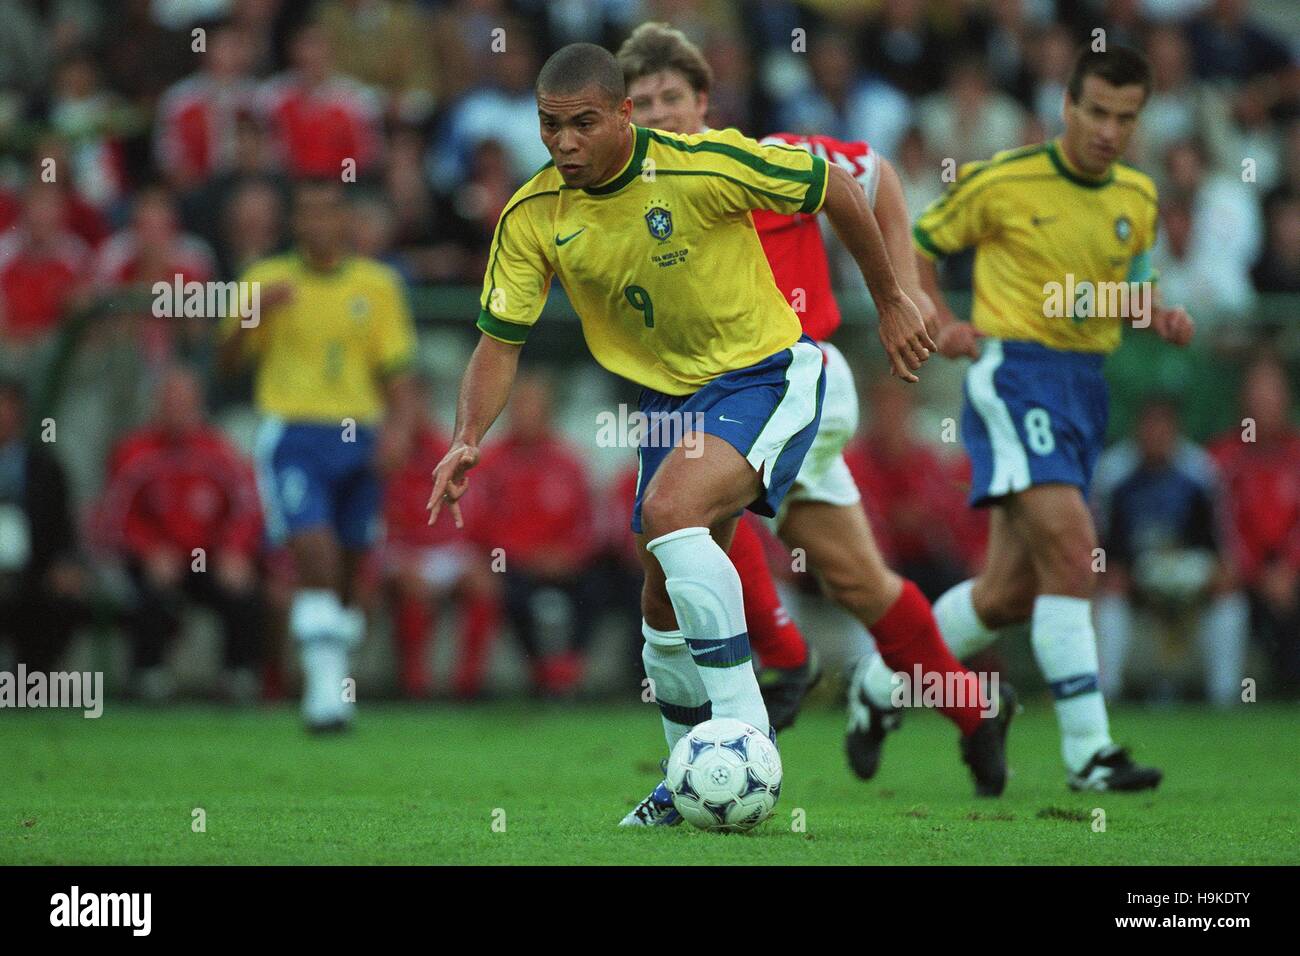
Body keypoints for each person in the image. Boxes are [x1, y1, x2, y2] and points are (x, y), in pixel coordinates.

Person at [425, 42, 936, 828]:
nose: (563, 144)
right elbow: (500, 342)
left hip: (768, 372)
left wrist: (894, 298)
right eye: (550, 126)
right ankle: (682, 777)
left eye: (582, 124)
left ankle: (747, 742)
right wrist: (466, 437)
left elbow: (834, 184)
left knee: (671, 514)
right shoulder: (532, 216)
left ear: (623, 115)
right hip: (670, 401)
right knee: (658, 599)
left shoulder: (701, 166)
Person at [617, 21, 1014, 793]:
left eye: (673, 95)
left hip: (806, 379)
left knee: (681, 514)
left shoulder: (764, 159)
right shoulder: (638, 205)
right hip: (730, 399)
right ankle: (973, 709)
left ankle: (786, 658)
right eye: (643, 102)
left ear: (704, 99)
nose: (661, 111)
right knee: (860, 583)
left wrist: (899, 292)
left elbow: (876, 178)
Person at [858, 45, 1196, 793]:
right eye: (1098, 112)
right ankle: (1089, 753)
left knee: (1006, 594)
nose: (1109, 130)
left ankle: (878, 687)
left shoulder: (1137, 199)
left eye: (1126, 118)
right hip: (1014, 376)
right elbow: (919, 243)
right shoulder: (1006, 179)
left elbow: (1128, 292)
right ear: (1067, 107)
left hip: (1085, 388)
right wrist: (941, 320)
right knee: (1077, 550)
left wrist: (1158, 312)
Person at [220, 178, 418, 732]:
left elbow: (398, 371)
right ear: (294, 223)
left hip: (360, 436)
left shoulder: (377, 285)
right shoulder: (266, 280)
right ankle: (324, 699)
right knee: (316, 555)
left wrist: (400, 432)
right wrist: (255, 314)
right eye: (306, 214)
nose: (317, 224)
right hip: (294, 435)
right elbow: (228, 363)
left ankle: (334, 676)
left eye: (328, 212)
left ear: (346, 220)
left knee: (355, 573)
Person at [97, 366, 265, 702]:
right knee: (149, 596)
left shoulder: (220, 451)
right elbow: (114, 517)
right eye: (170, 401)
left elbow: (248, 509)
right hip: (158, 561)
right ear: (158, 404)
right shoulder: (134, 452)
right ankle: (148, 675)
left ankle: (239, 675)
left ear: (198, 404)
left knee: (244, 592)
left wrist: (234, 550)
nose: (177, 409)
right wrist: (148, 550)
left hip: (209, 559)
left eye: (185, 401)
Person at [1091, 396, 1246, 707]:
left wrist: (1219, 571)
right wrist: (1107, 572)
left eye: (1164, 427)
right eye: (1150, 426)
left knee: (1229, 599)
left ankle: (1226, 698)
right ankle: (1105, 697)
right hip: (1135, 579)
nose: (1157, 435)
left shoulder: (1200, 471)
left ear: (1177, 431)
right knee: (1109, 601)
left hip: (1191, 575)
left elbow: (1221, 545)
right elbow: (1097, 544)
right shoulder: (1113, 473)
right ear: (1138, 430)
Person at [472, 372, 599, 696]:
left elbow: (589, 521)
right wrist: (524, 555)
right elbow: (481, 524)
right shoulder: (492, 462)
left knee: (601, 584)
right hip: (513, 563)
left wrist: (571, 553)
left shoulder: (569, 462)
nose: (524, 414)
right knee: (511, 593)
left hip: (565, 562)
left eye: (532, 406)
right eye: (519, 406)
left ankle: (569, 665)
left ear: (548, 412)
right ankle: (539, 671)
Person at [380, 374, 497, 699]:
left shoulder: (447, 449)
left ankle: (468, 685)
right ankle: (415, 684)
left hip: (444, 551)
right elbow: (373, 515)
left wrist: (463, 551)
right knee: (411, 586)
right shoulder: (381, 454)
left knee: (484, 584)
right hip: (396, 552)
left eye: (419, 402)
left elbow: (471, 508)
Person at [0, 377, 85, 674]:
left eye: (7, 406)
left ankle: (34, 678)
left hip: (33, 572)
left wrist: (66, 563)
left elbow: (62, 527)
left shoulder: (45, 467)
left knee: (61, 596)